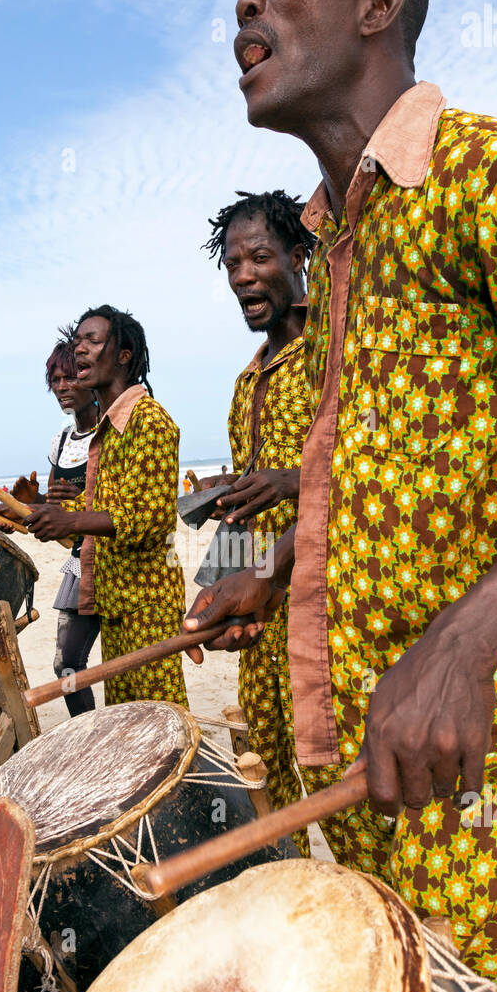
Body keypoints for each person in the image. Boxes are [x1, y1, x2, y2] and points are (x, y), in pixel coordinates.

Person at [184, 0, 497, 980]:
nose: (244, 1)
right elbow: (364, 478)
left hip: (479, 743)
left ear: (377, 3)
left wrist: (460, 646)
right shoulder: (342, 240)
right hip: (354, 725)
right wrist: (274, 574)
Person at [202, 190, 316, 849]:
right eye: (232, 263)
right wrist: (232, 489)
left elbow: (365, 471)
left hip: (318, 605)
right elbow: (256, 497)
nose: (243, 273)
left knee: (334, 774)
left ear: (301, 255)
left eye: (259, 256)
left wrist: (291, 482)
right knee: (265, 772)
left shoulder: (335, 353)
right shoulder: (248, 380)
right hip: (257, 608)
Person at [27, 306, 188, 707]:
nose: (80, 350)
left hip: (147, 603)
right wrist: (38, 513)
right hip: (115, 600)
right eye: (78, 341)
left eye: (93, 341)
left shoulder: (148, 422)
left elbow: (146, 520)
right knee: (126, 718)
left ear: (123, 355)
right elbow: (103, 503)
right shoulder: (109, 430)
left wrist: (70, 517)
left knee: (158, 717)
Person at [20, 326, 101, 718]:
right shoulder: (62, 441)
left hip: (113, 559)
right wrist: (28, 504)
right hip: (77, 563)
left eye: (70, 376)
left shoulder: (113, 433)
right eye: (55, 379)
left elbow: (116, 507)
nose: (62, 386)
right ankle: (89, 740)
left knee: (129, 663)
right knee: (66, 664)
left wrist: (73, 509)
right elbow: (57, 515)